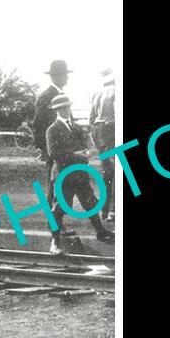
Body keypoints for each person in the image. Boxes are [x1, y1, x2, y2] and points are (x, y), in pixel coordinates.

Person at [46, 93, 115, 255]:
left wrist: (86, 153)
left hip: (79, 173)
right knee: (61, 207)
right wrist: (78, 155)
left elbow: (83, 145)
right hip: (63, 175)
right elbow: (53, 153)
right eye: (62, 108)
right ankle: (54, 242)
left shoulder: (76, 127)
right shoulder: (52, 129)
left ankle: (100, 232)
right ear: (57, 111)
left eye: (67, 107)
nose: (66, 110)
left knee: (90, 203)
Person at [33, 59, 71, 179]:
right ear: (57, 76)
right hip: (53, 148)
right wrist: (43, 148)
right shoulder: (46, 97)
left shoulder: (60, 95)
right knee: (55, 180)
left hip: (64, 147)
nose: (67, 77)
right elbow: (38, 124)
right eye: (65, 75)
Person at [89, 68, 116, 221]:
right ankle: (113, 210)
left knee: (107, 172)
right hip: (112, 129)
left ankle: (105, 210)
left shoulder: (96, 93)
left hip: (99, 132)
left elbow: (91, 119)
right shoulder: (115, 92)